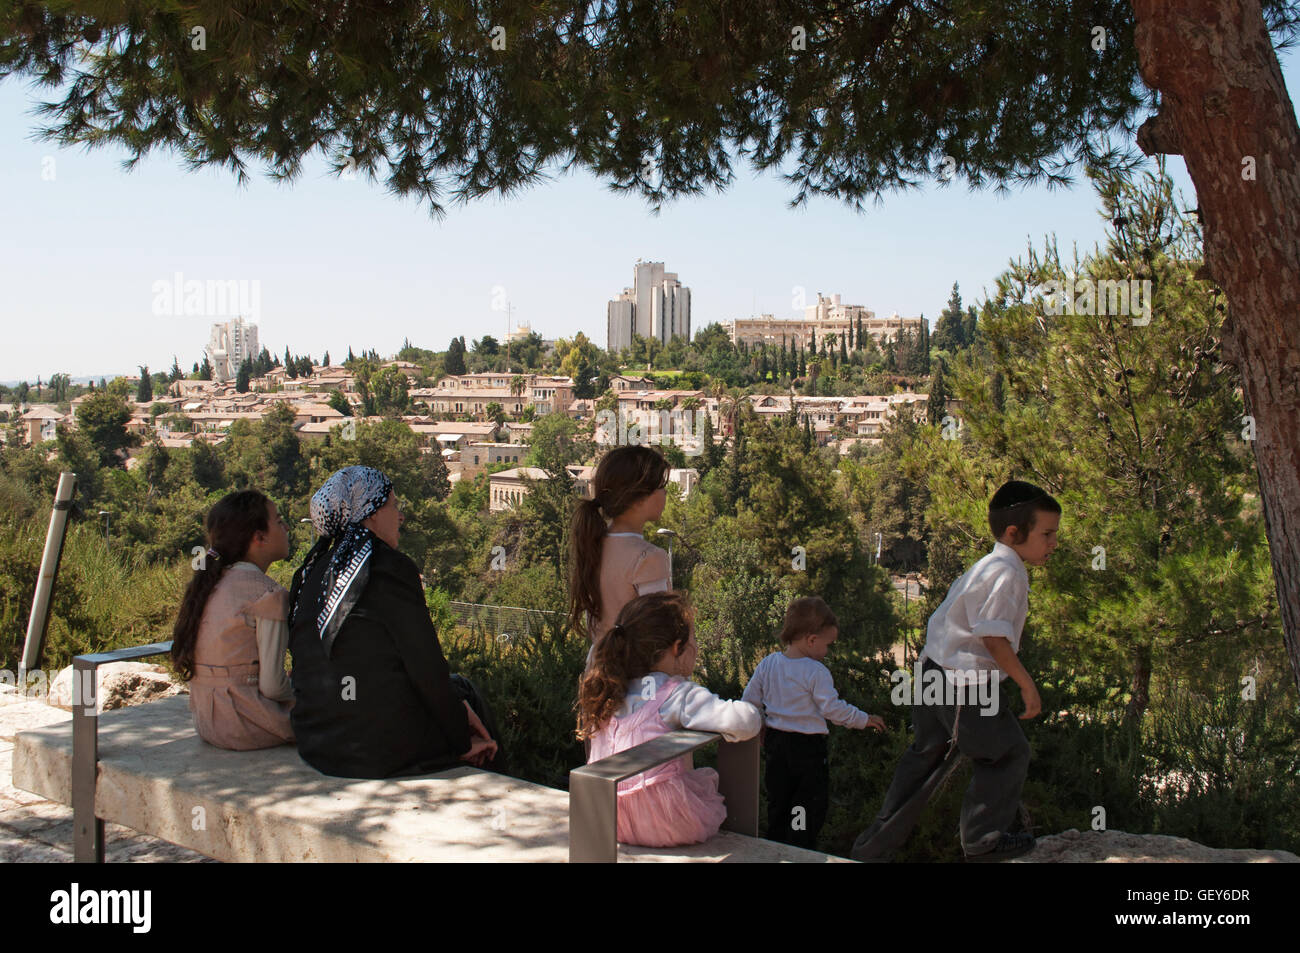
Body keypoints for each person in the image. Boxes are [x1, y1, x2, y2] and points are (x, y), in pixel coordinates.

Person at [851, 480, 1060, 862]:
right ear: (1015, 533)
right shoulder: (1008, 573)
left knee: (925, 760)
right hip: (963, 683)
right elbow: (995, 639)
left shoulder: (988, 565)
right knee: (1007, 753)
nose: (1053, 543)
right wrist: (1026, 684)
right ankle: (985, 841)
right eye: (1047, 534)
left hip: (935, 670)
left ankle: (871, 848)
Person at [287, 466, 500, 778]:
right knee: (465, 695)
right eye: (394, 506)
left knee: (458, 697)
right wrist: (460, 737)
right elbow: (426, 668)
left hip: (317, 745)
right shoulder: (388, 567)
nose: (400, 517)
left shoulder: (312, 571)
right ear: (370, 512)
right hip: (375, 750)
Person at [577, 591, 761, 847]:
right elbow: (743, 723)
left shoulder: (607, 691)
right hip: (667, 822)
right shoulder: (676, 694)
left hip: (608, 817)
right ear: (677, 647)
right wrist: (753, 708)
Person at [743, 596, 886, 850]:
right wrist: (864, 719)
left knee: (779, 803)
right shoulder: (816, 672)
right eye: (828, 644)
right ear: (811, 640)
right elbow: (832, 709)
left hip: (776, 746)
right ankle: (801, 852)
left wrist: (762, 724)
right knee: (807, 807)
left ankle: (775, 850)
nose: (828, 651)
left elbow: (750, 701)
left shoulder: (768, 664)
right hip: (807, 750)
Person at [171, 489, 295, 750]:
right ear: (259, 536)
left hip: (209, 721)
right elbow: (273, 687)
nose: (286, 527)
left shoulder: (211, 584)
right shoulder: (268, 594)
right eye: (279, 520)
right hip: (249, 723)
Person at [568, 445, 672, 667]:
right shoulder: (649, 558)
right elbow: (657, 636)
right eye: (661, 487)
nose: (665, 493)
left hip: (597, 674)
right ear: (640, 497)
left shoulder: (593, 544)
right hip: (635, 683)